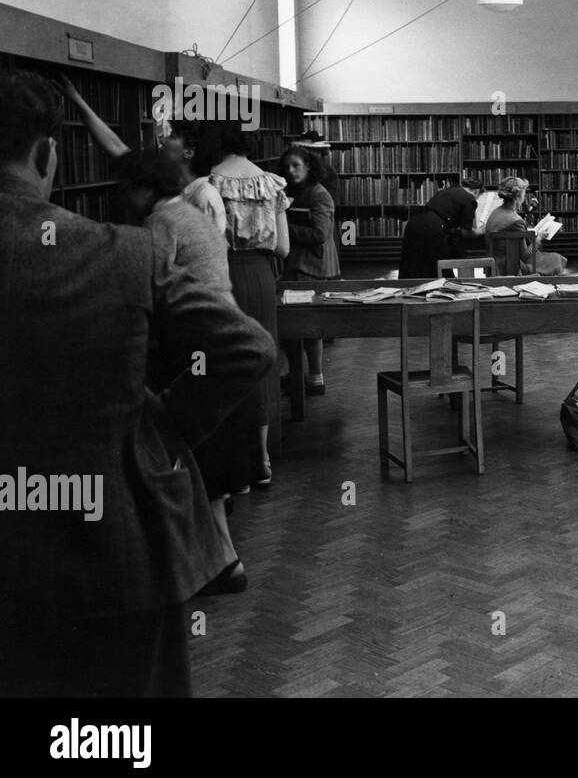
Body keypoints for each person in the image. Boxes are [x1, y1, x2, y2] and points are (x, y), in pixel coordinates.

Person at [0, 71, 275, 696]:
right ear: (47, 156)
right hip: (116, 546)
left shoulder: (149, 232)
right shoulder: (123, 253)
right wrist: (162, 425)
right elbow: (244, 346)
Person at [117, 146, 252, 595]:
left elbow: (152, 288)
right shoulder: (193, 212)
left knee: (180, 444)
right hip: (226, 333)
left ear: (143, 188)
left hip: (193, 340)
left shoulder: (160, 224)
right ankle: (222, 556)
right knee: (204, 448)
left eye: (127, 188)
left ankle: (214, 559)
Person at [208, 123, 290, 489]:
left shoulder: (209, 184)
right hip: (260, 275)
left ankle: (234, 463)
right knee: (262, 360)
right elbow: (284, 248)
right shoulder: (271, 183)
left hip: (223, 275)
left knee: (227, 364)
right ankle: (263, 458)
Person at [60, 74, 226, 236]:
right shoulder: (161, 179)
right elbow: (116, 147)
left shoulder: (205, 196)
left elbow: (209, 255)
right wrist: (76, 100)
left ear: (188, 152)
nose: (163, 139)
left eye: (173, 136)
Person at [280, 145, 341, 395]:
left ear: (308, 166)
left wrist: (283, 228)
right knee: (297, 325)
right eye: (287, 167)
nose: (291, 171)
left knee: (307, 325)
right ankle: (300, 376)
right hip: (299, 266)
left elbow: (320, 234)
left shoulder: (318, 194)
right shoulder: (295, 192)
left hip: (312, 268)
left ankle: (315, 377)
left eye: (296, 165)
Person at [399, 176, 484, 277]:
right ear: (476, 191)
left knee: (413, 263)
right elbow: (466, 232)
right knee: (439, 266)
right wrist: (481, 230)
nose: (476, 198)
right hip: (433, 229)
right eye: (478, 196)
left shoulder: (448, 191)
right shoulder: (469, 199)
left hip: (414, 223)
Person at [485, 176, 567, 276]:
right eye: (524, 194)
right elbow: (526, 256)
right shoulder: (516, 220)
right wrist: (539, 238)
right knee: (556, 259)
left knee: (554, 258)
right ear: (517, 196)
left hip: (494, 264)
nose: (524, 198)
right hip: (510, 267)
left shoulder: (495, 212)